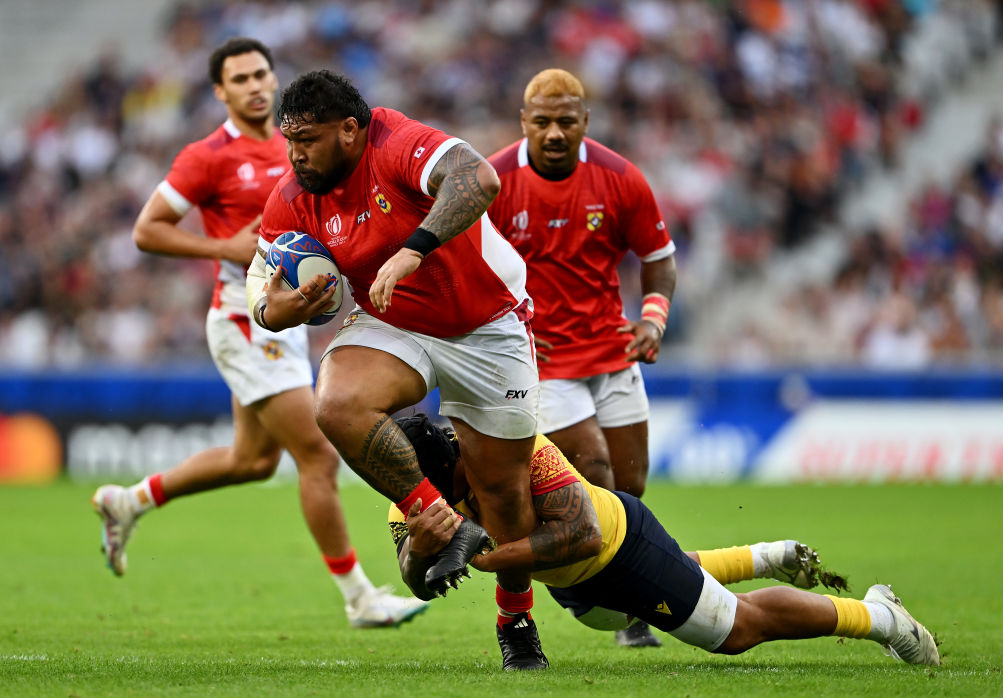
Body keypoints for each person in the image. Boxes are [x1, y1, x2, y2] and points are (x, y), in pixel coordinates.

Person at [90, 38, 427, 628]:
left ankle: (130, 499)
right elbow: (148, 230)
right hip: (246, 321)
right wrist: (222, 245)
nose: (254, 85)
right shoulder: (207, 157)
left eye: (261, 74)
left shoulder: (302, 145)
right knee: (318, 456)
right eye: (239, 78)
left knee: (251, 460)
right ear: (220, 91)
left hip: (289, 322)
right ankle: (360, 598)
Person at [247, 70, 545, 667]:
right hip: (396, 320)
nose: (294, 153)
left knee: (505, 497)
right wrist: (269, 309)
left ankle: (516, 619)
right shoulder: (294, 193)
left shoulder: (395, 140)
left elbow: (477, 178)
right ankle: (433, 517)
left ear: (351, 131)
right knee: (334, 404)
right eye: (289, 139)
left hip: (488, 324)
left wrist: (413, 249)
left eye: (307, 138)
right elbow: (262, 274)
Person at [388, 414, 941, 670]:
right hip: (579, 592)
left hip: (617, 548)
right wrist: (419, 550)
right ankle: (763, 556)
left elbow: (581, 535)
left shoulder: (517, 446)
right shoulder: (410, 489)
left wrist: (480, 556)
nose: (431, 503)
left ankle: (880, 617)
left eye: (440, 493)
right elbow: (414, 577)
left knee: (736, 630)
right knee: (618, 614)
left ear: (456, 459)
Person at [486, 68, 677, 647]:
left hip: (611, 350)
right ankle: (598, 595)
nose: (553, 132)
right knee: (592, 468)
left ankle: (614, 586)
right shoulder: (493, 181)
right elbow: (464, 263)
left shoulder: (619, 178)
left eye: (565, 121)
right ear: (524, 122)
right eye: (541, 121)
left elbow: (658, 257)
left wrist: (652, 317)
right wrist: (506, 324)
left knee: (632, 482)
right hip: (543, 361)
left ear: (584, 122)